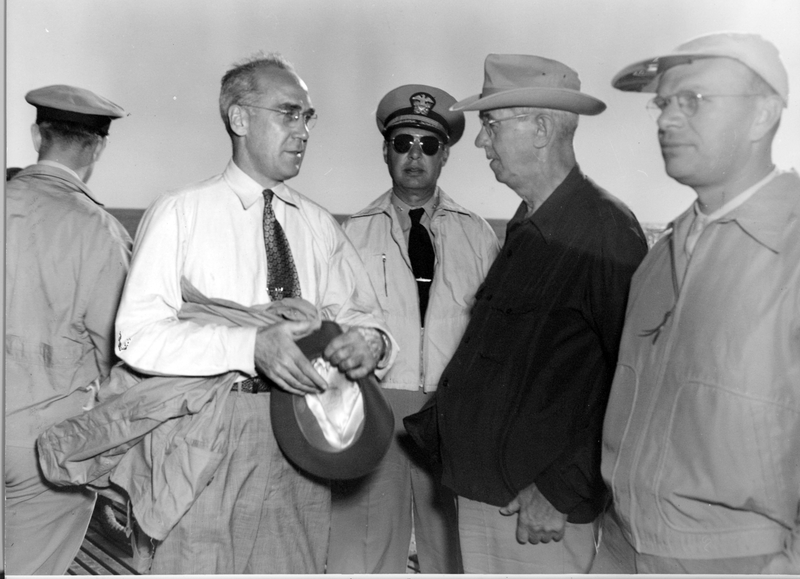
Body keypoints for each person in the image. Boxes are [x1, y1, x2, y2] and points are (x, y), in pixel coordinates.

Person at [112, 52, 395, 575]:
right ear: (239, 119)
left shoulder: (318, 225)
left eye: (308, 117)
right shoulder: (181, 212)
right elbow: (136, 338)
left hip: (305, 435)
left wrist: (372, 344)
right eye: (288, 113)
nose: (303, 131)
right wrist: (249, 347)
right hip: (206, 435)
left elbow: (365, 318)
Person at [429, 54, 648, 574]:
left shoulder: (603, 232)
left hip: (537, 513)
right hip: (491, 497)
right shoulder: (529, 225)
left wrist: (560, 488)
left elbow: (635, 384)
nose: (480, 142)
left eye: (490, 125)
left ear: (542, 128)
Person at [596, 32, 800, 575]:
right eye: (663, 102)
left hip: (741, 558)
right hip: (624, 545)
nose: (666, 120)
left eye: (695, 100)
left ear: (763, 116)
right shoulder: (661, 253)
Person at [328, 85, 500, 574]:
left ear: (445, 155)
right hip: (374, 407)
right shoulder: (354, 232)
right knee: (360, 549)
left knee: (449, 550)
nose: (414, 156)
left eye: (428, 146)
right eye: (402, 143)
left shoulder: (478, 234)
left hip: (450, 413)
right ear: (386, 151)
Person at [5, 84, 131, 575]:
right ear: (98, 146)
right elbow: (120, 358)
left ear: (38, 134)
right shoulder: (100, 232)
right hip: (44, 450)